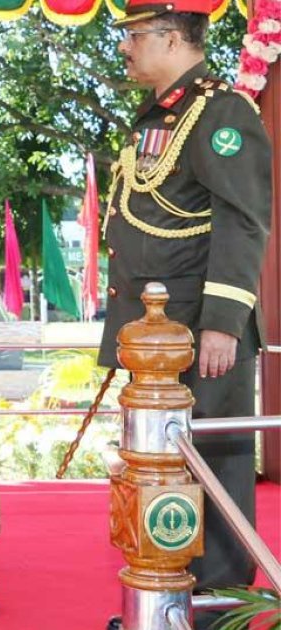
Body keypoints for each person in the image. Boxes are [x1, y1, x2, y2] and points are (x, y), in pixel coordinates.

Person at [100, 1, 272, 628]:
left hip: (201, 330)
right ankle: (165, 596)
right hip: (157, 336)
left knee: (215, 462)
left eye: (135, 36)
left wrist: (224, 322)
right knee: (160, 463)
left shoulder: (221, 113)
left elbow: (243, 217)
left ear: (172, 38)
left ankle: (218, 608)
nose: (125, 48)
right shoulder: (161, 115)